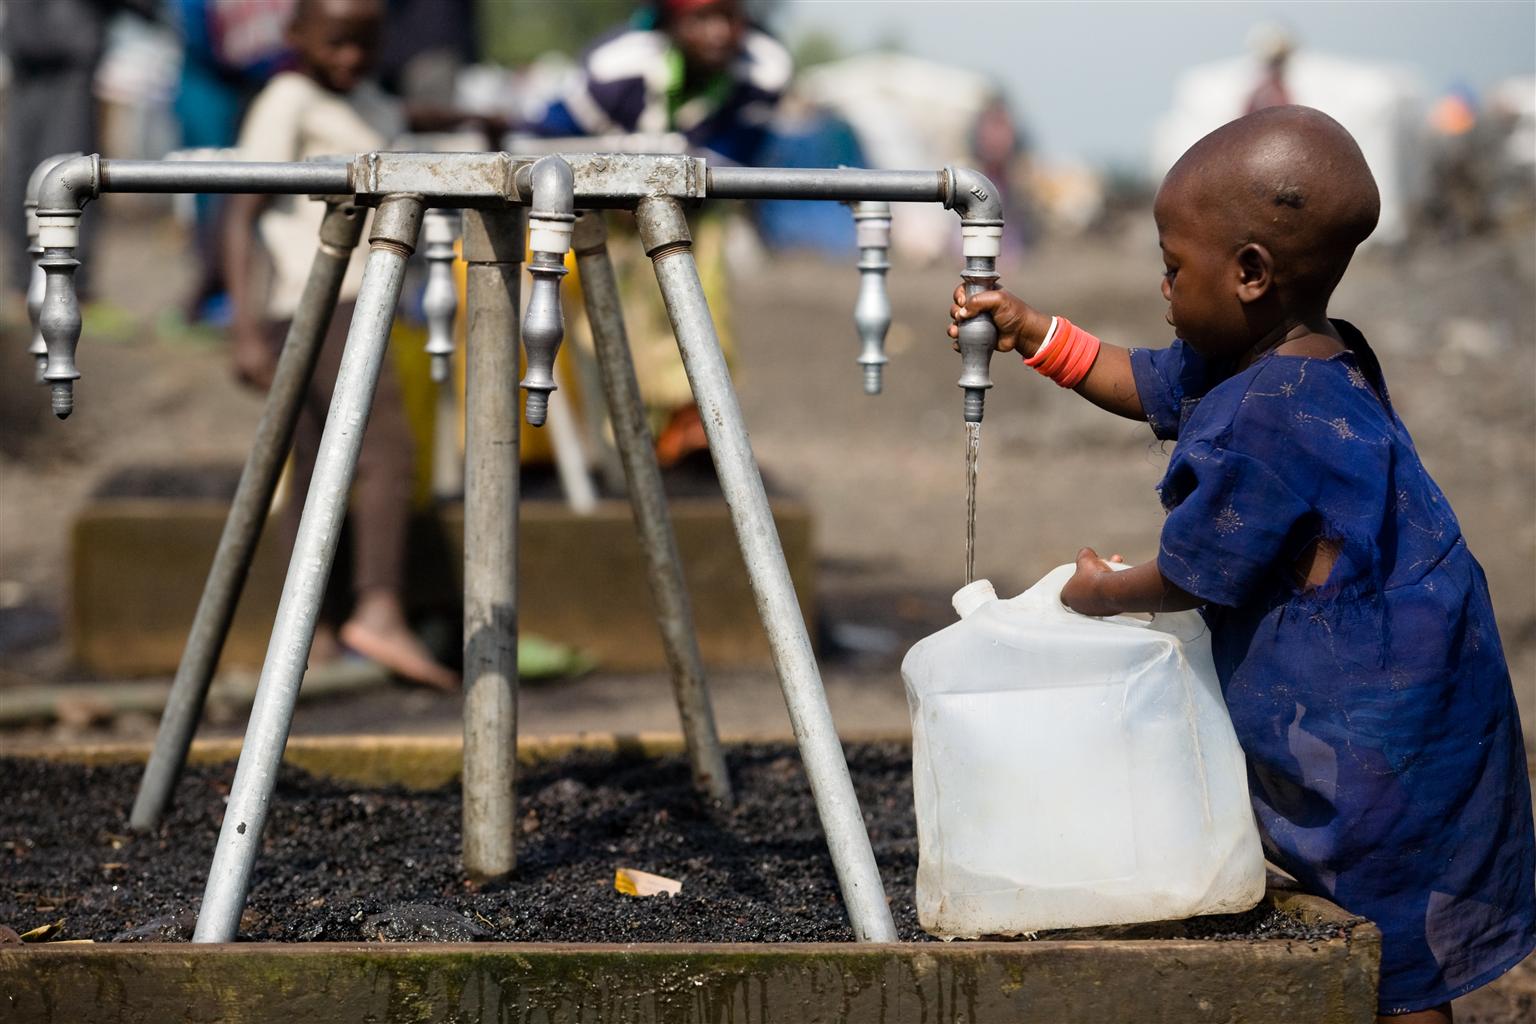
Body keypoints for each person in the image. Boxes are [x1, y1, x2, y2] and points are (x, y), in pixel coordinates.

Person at [948, 106, 1533, 1023]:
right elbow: (1145, 378)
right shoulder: (1294, 357)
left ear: (1251, 273)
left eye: (1174, 266)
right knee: (1384, 893)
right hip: (1417, 657)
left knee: (1387, 913)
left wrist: (1101, 592)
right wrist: (1034, 332)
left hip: (1381, 709)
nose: (1163, 284)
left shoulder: (1267, 417)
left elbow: (1193, 572)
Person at [226, 0, 464, 690]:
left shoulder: (363, 98)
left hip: (360, 297)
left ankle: (312, 631)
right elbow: (240, 213)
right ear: (297, 37)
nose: (350, 58)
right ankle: (379, 609)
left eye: (364, 44)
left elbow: (398, 122)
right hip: (319, 298)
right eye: (335, 44)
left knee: (310, 466)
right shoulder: (287, 98)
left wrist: (478, 124)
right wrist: (242, 330)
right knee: (387, 446)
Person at [528, 0, 792, 466]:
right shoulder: (614, 67)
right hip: (603, 216)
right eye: (700, 19)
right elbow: (540, 140)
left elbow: (737, 156)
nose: (716, 33)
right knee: (611, 321)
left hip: (695, 215)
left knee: (701, 290)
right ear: (669, 23)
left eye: (728, 18)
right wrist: (615, 182)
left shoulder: (764, 69)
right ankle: (629, 434)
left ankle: (689, 421)